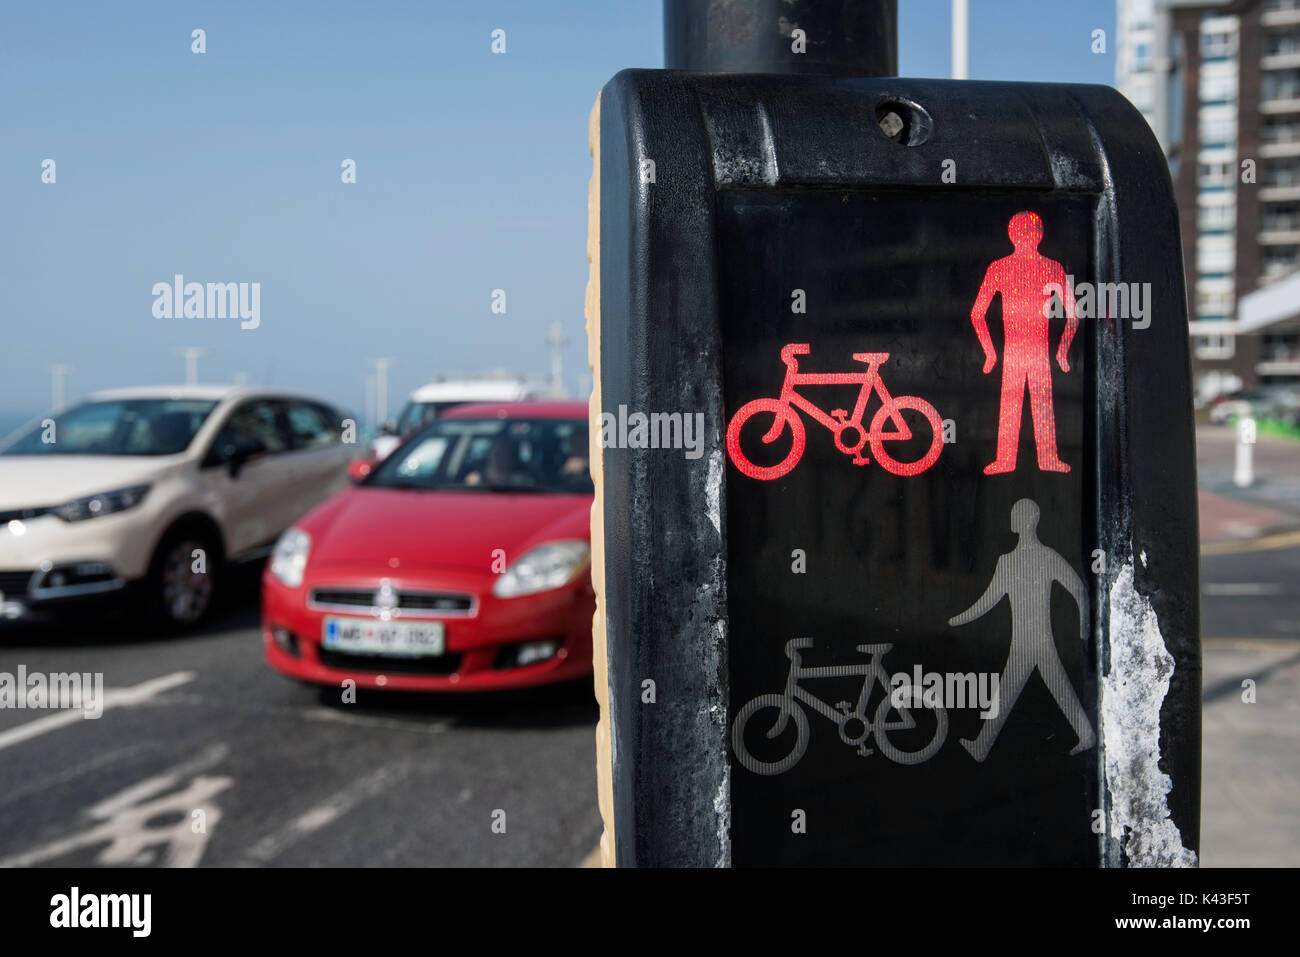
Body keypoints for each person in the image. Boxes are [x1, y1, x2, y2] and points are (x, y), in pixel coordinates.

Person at [948, 498, 1095, 761]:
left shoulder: (1041, 557)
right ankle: (982, 746)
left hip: (1036, 642)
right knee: (1017, 693)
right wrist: (960, 619)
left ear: (1028, 520)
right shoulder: (1010, 561)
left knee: (1043, 690)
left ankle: (982, 746)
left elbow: (1079, 590)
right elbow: (988, 600)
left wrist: (1085, 629)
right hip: (1025, 643)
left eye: (1016, 514)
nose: (1012, 519)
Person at [969, 211, 1077, 474]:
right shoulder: (1036, 267)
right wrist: (990, 354)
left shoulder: (1038, 268)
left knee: (1029, 405)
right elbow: (1073, 316)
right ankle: (1023, 460)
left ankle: (1032, 460)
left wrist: (990, 353)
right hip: (1024, 352)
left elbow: (977, 314)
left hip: (1026, 352)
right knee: (1027, 405)